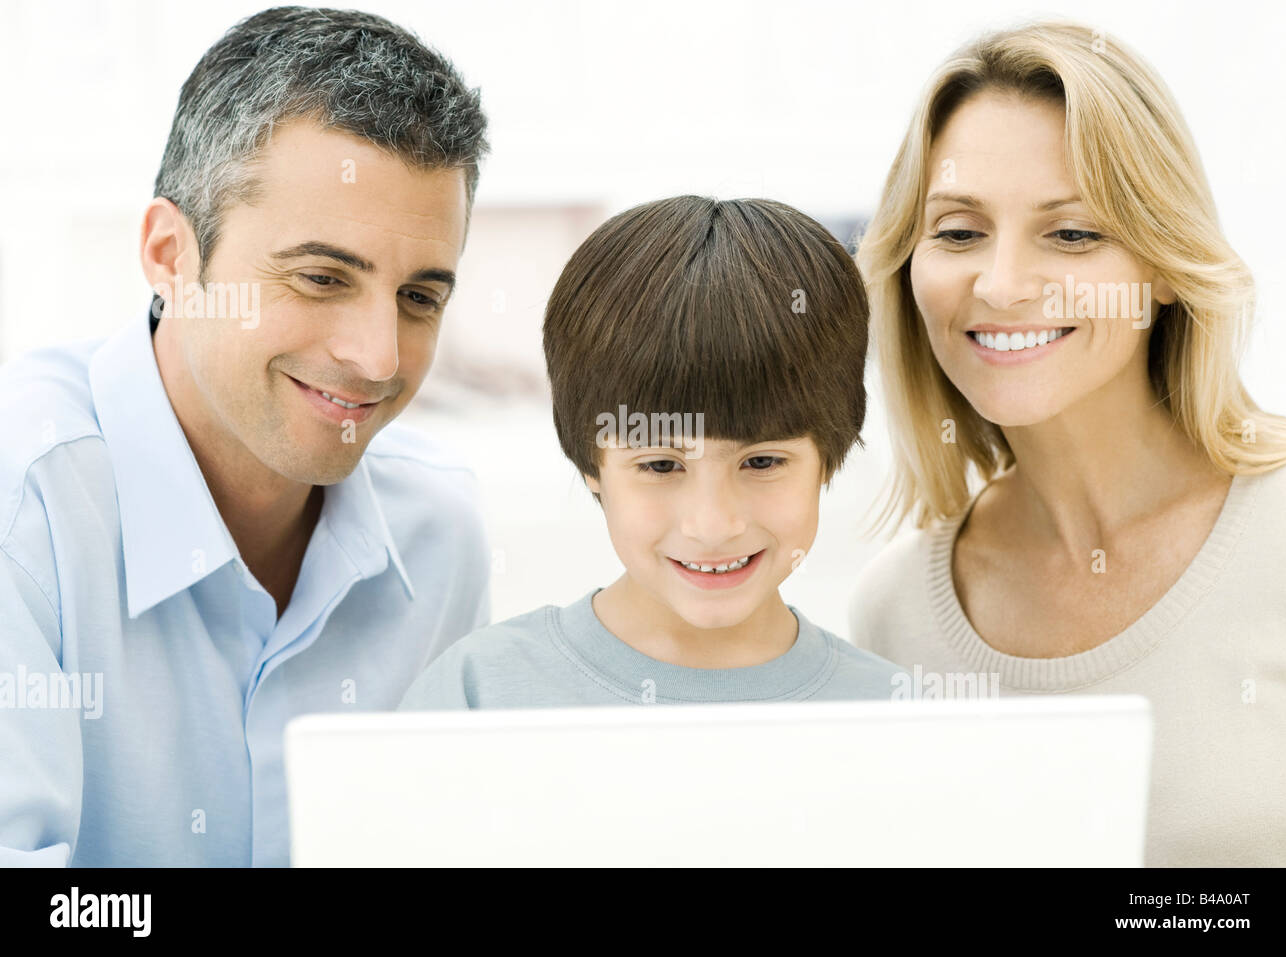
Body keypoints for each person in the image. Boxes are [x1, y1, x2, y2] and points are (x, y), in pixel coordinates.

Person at [0, 7, 492, 866]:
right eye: (320, 277)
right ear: (170, 256)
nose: (376, 358)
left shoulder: (440, 532)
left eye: (420, 298)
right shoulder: (26, 506)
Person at [848, 21, 1286, 866]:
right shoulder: (895, 611)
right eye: (957, 231)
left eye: (1073, 233)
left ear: (1165, 266)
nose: (1003, 284)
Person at [400, 195, 902, 711]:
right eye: (661, 465)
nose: (711, 526)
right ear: (590, 463)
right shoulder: (479, 692)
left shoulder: (897, 712)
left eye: (762, 462)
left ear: (831, 456)